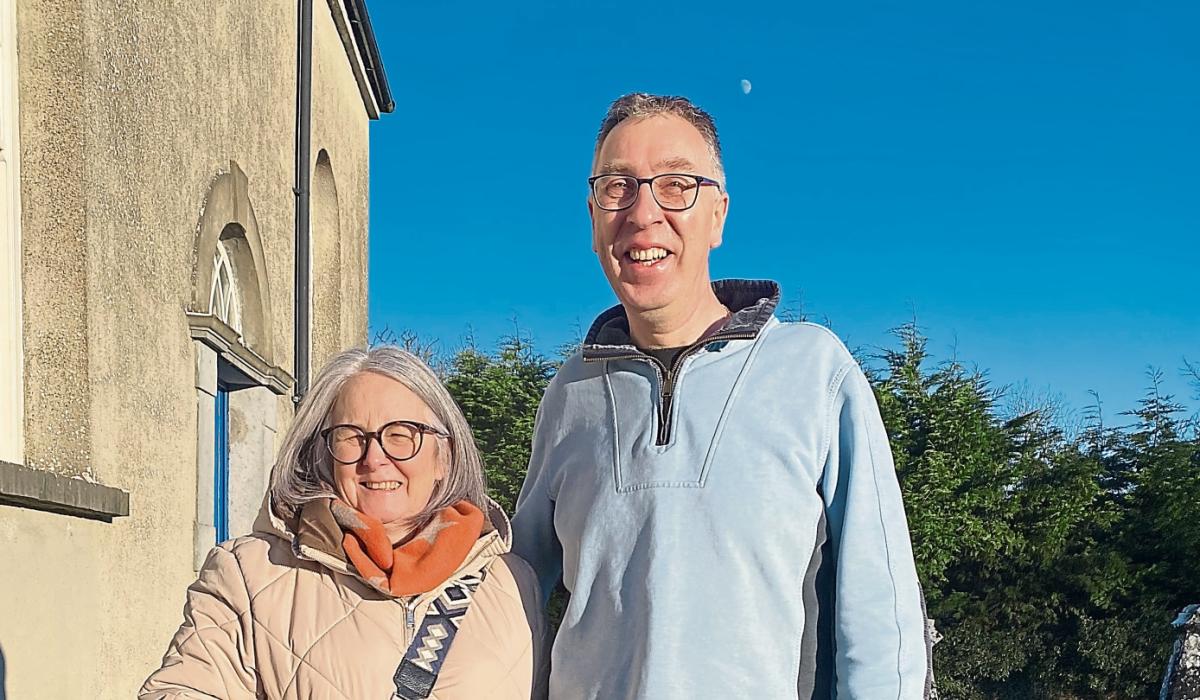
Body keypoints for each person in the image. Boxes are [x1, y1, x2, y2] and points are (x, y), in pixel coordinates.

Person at [511, 93, 932, 698]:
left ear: (719, 216)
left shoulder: (814, 371)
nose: (643, 212)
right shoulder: (569, 393)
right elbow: (517, 588)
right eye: (617, 186)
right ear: (592, 215)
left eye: (676, 185)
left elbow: (879, 598)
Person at [141, 347, 548, 700]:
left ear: (445, 457)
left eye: (403, 435)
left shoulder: (512, 583)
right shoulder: (249, 574)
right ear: (324, 455)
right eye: (351, 436)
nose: (374, 459)